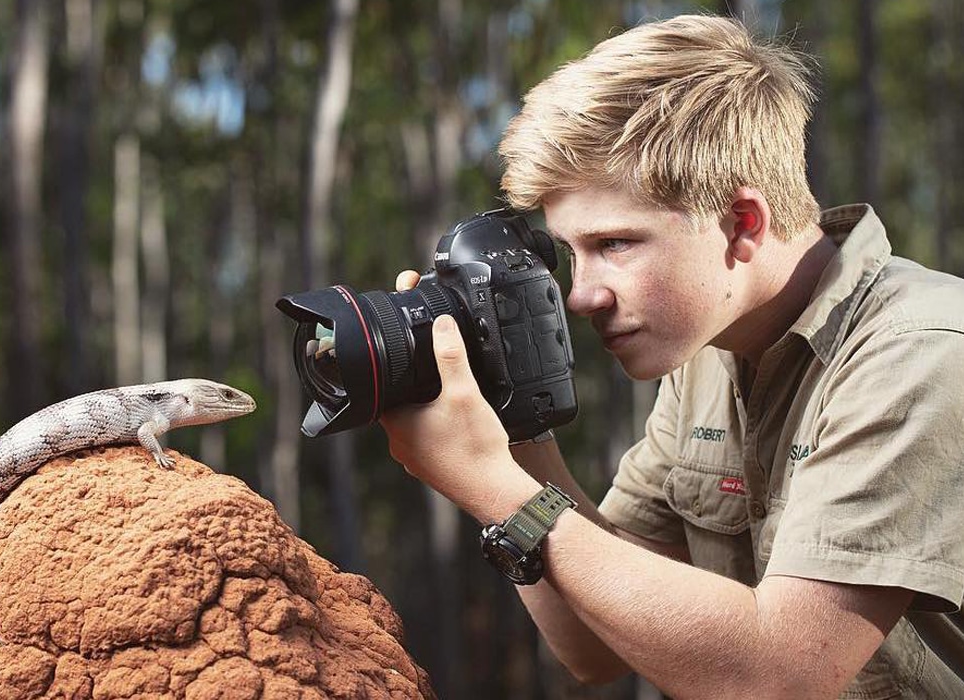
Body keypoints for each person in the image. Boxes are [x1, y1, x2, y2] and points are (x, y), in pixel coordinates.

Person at [380, 14, 964, 698]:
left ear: (742, 224)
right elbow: (591, 644)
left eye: (616, 245)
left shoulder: (917, 352)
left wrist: (492, 486)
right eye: (573, 254)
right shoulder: (710, 351)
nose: (583, 295)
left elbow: (776, 679)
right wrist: (511, 429)